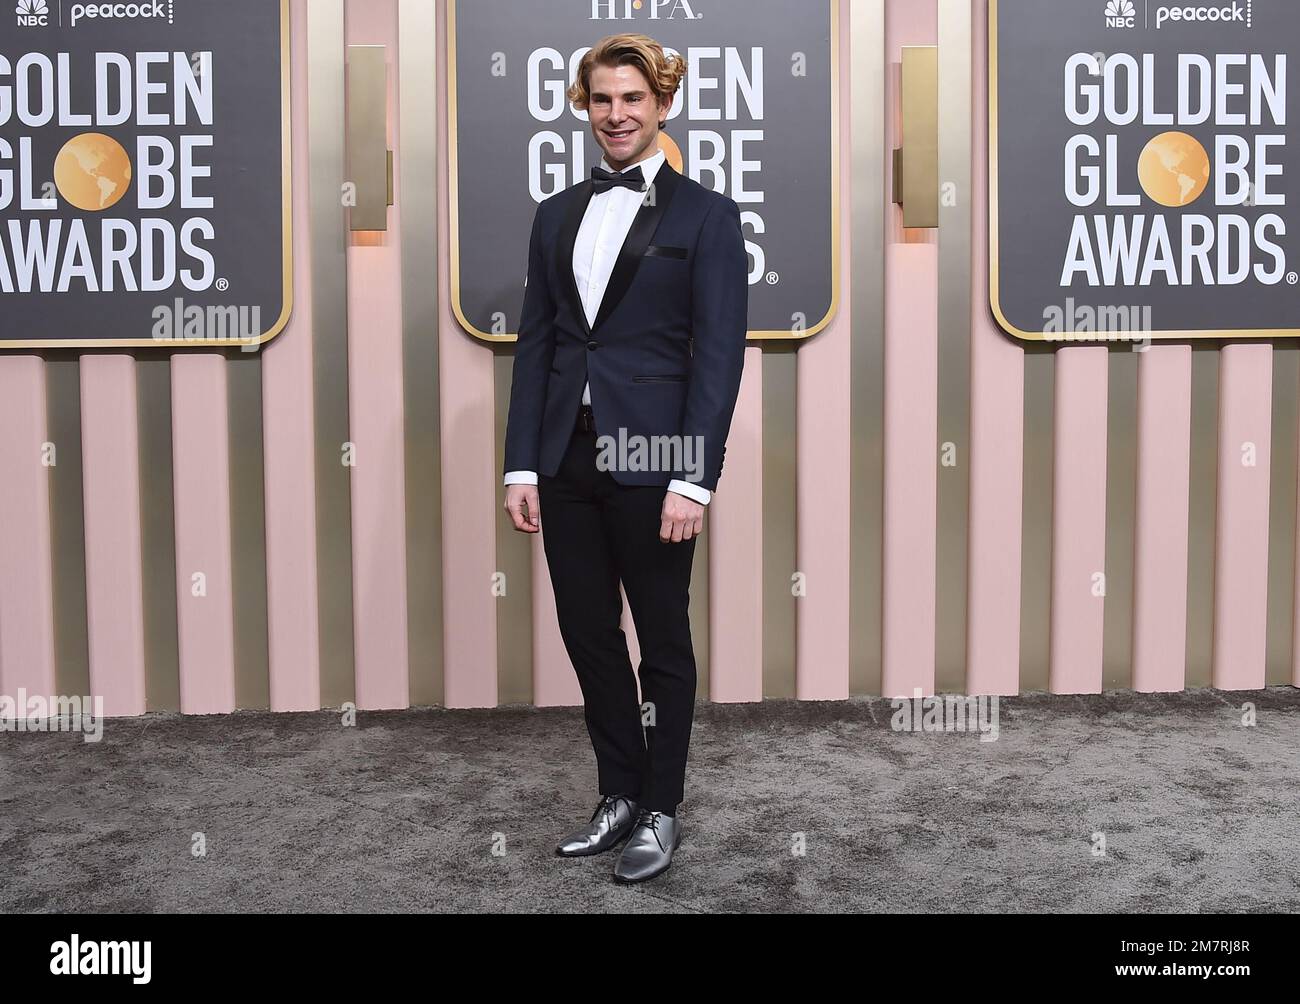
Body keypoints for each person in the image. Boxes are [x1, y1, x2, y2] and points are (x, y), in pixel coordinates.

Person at [502, 32, 748, 883]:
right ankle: (616, 789)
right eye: (603, 99)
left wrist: (693, 477)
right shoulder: (555, 214)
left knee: (663, 641)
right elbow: (538, 345)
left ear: (662, 106)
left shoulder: (707, 217)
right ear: (586, 105)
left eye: (632, 100)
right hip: (564, 460)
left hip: (656, 458)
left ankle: (662, 808)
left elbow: (717, 359)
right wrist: (520, 465)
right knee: (586, 632)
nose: (617, 114)